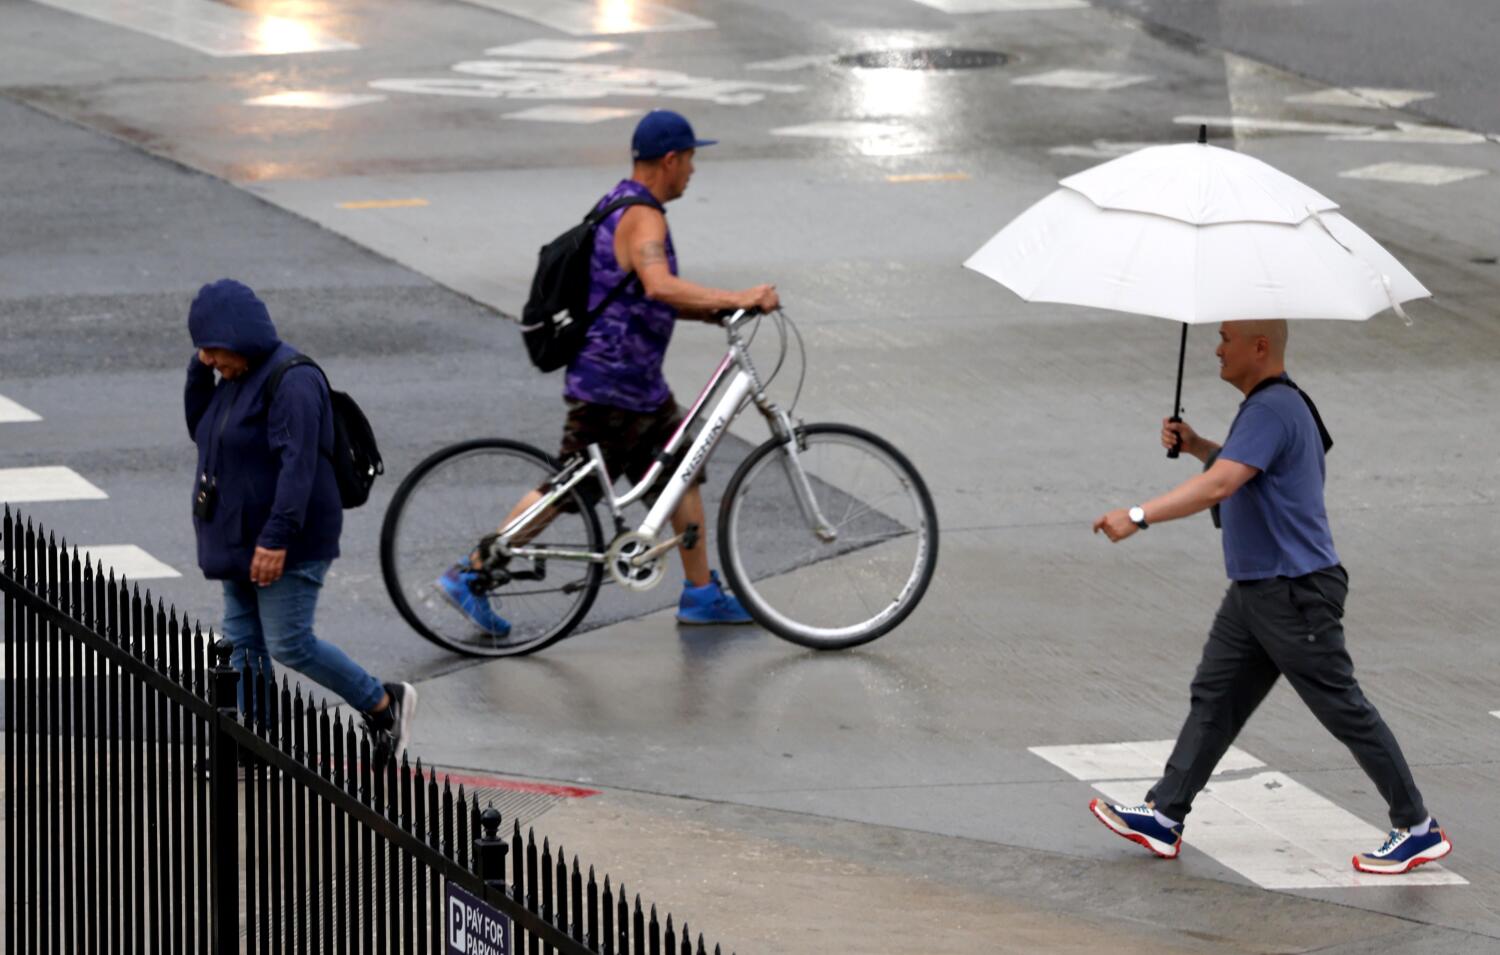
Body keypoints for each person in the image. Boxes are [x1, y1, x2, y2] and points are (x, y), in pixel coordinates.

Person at [1087, 319, 1451, 875]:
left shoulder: (1272, 408)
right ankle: (1164, 816)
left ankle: (1417, 827)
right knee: (1215, 697)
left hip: (1293, 590)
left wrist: (1138, 516)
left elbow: (1223, 484)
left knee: (1341, 706)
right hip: (1259, 588)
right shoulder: (1277, 406)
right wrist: (1199, 445)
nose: (1216, 348)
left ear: (1260, 347)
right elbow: (1250, 471)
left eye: (1227, 338)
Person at [437, 109, 780, 634]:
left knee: (681, 468)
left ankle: (701, 594)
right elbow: (659, 285)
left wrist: (715, 312)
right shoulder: (644, 216)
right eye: (689, 159)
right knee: (568, 489)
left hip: (638, 389)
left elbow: (642, 295)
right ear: (670, 159)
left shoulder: (619, 202)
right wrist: (740, 295)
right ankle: (473, 572)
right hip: (612, 388)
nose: (693, 170)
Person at [185, 279, 416, 761]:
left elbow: (300, 467)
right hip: (237, 535)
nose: (208, 360)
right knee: (243, 639)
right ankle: (257, 739)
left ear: (238, 336)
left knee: (289, 641)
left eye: (211, 349)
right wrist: (199, 371)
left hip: (288, 537)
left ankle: (383, 703)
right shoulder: (233, 377)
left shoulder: (292, 379)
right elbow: (203, 432)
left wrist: (276, 539)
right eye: (201, 351)